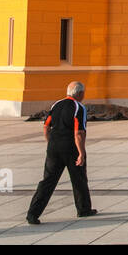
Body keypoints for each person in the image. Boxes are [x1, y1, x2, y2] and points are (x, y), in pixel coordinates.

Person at [26, 81, 97, 223]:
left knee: (48, 181)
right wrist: (81, 153)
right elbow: (79, 133)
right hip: (71, 148)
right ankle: (83, 209)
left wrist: (50, 143)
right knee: (79, 179)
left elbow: (46, 127)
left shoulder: (56, 104)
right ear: (80, 93)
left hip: (54, 147)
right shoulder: (79, 108)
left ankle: (33, 214)